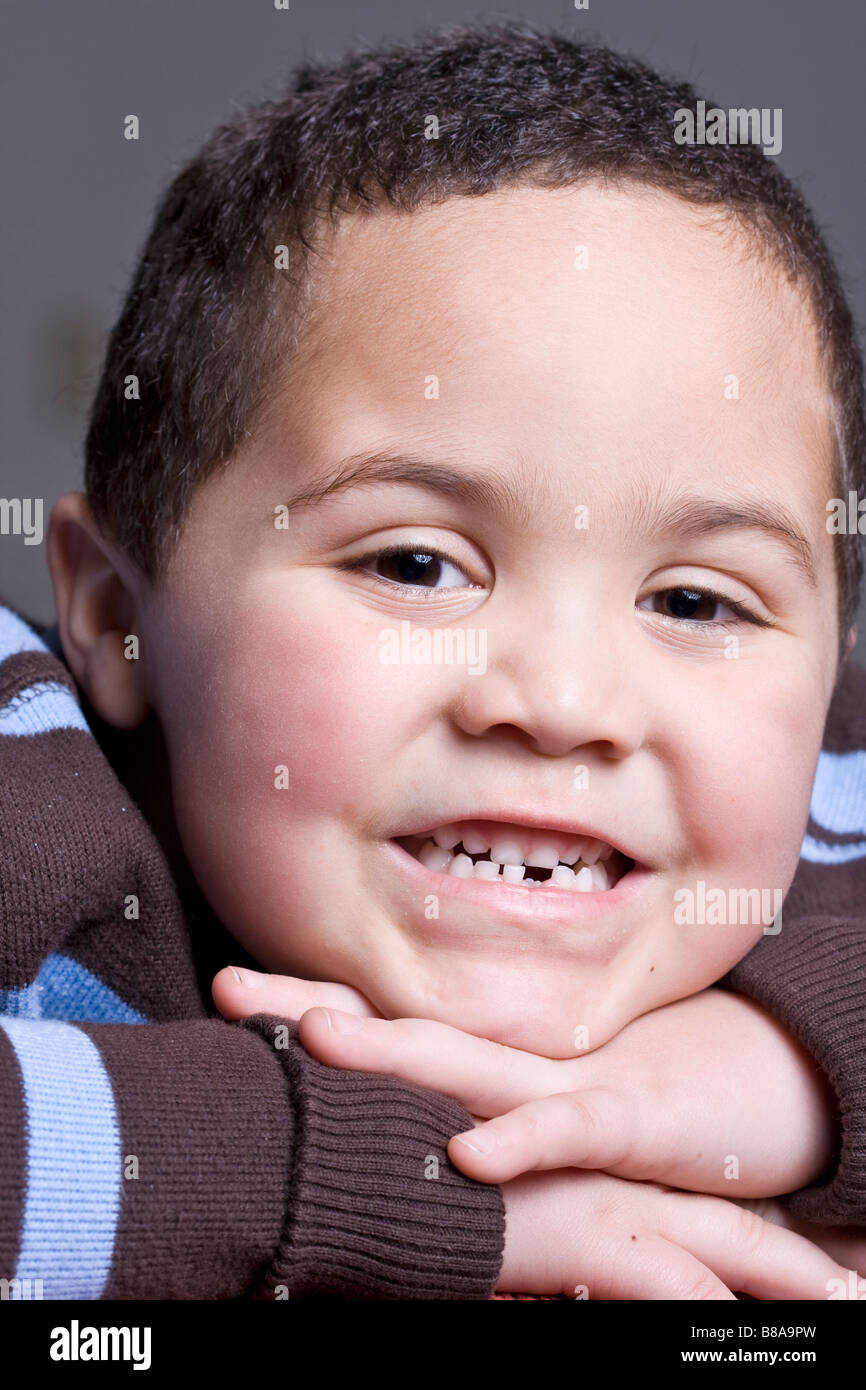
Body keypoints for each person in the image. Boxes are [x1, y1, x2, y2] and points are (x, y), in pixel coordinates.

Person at [2, 19, 864, 1300]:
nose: (566, 704)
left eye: (692, 599)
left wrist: (773, 1070)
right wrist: (399, 1187)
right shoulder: (33, 789)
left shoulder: (822, 791)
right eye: (414, 565)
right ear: (116, 614)